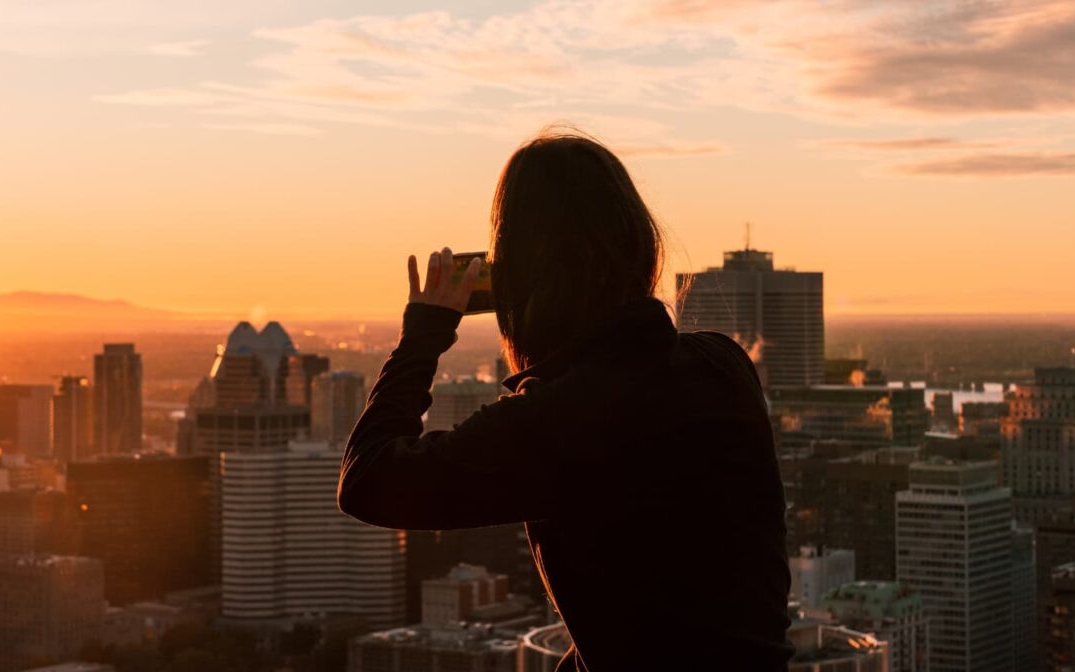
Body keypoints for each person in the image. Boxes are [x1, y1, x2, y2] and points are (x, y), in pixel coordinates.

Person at [338, 130, 793, 670]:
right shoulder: (724, 365)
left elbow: (368, 481)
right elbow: (674, 598)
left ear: (519, 272)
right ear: (639, 242)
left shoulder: (556, 420)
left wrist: (422, 337)